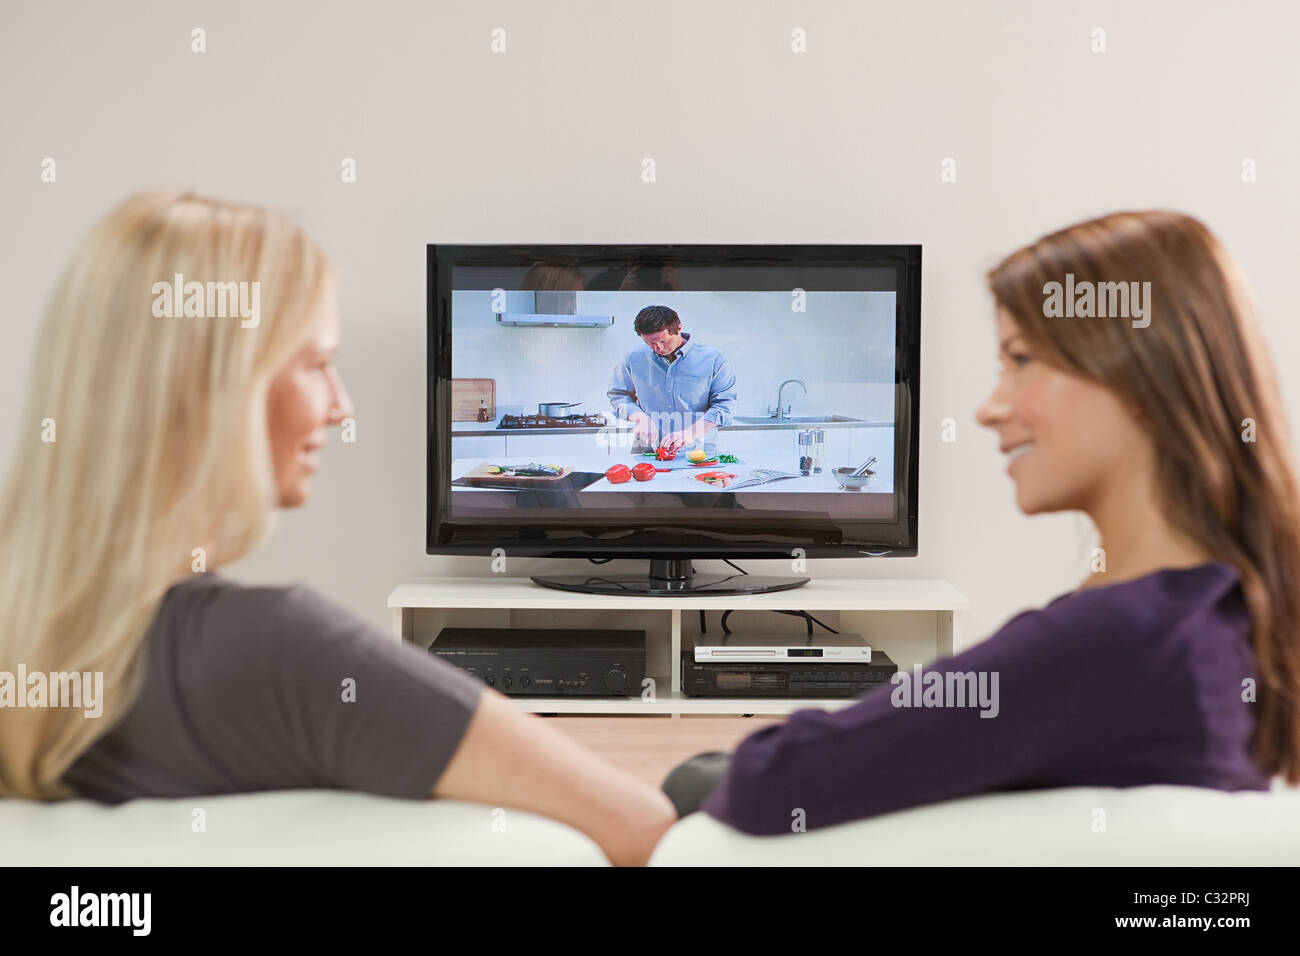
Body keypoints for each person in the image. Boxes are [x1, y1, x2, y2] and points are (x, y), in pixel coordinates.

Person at [0, 191, 676, 866]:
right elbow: (640, 827)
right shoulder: (276, 650)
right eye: (316, 364)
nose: (339, 406)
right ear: (217, 388)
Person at [686, 210, 1300, 834]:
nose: (988, 408)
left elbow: (770, 782)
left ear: (1142, 378)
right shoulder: (1225, 610)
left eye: (1022, 359)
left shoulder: (1116, 641)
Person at [607, 305, 738, 454]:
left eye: (664, 341)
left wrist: (690, 433)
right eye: (649, 343)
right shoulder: (632, 357)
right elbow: (619, 395)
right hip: (647, 452)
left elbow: (724, 406)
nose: (658, 348)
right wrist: (638, 417)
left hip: (698, 453)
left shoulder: (714, 359)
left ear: (679, 328)